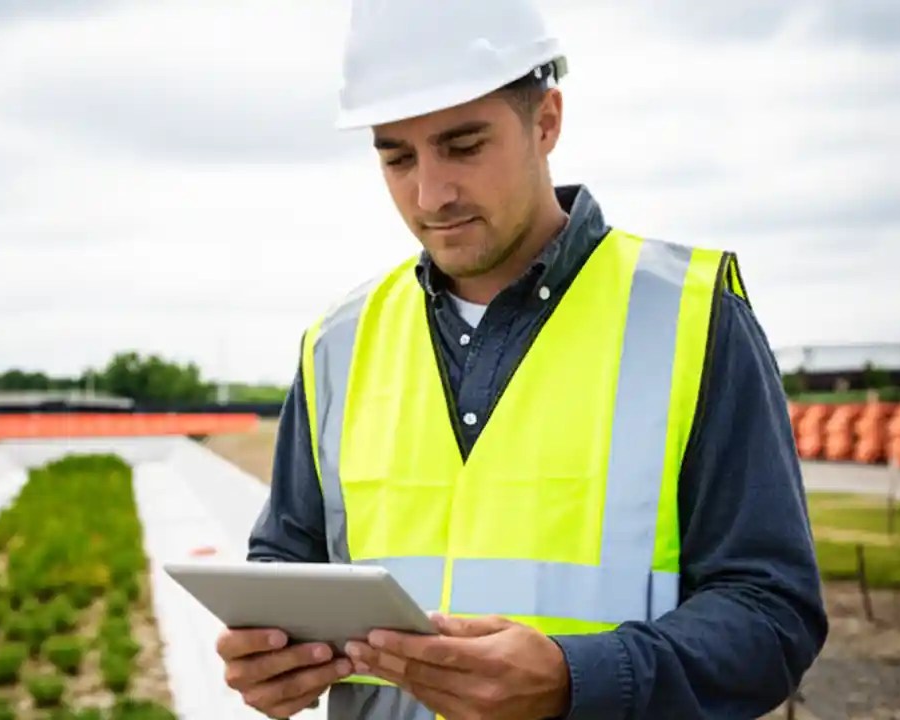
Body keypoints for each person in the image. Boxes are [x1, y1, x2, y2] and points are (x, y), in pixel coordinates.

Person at [215, 1, 828, 718]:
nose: (430, 194)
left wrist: (579, 677)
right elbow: (286, 565)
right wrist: (270, 655)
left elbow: (772, 612)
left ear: (547, 121)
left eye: (464, 145)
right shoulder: (338, 343)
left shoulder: (694, 318)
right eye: (397, 156)